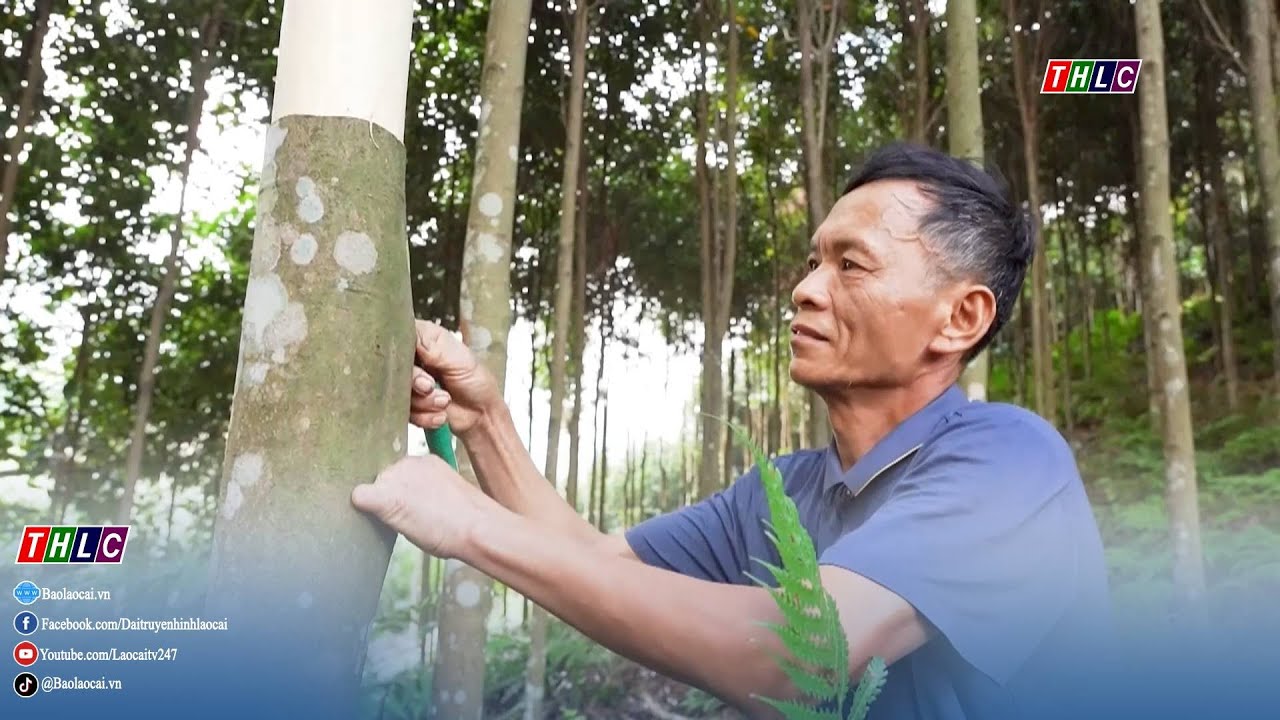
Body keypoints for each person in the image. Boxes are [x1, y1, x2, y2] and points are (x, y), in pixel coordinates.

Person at [351, 143, 1111, 719]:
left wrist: (471, 524)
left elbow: (803, 655)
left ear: (961, 318)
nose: (806, 290)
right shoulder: (779, 492)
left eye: (852, 266)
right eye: (814, 261)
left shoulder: (1009, 464)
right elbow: (586, 563)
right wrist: (485, 424)